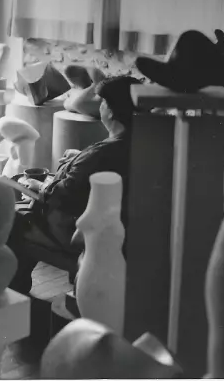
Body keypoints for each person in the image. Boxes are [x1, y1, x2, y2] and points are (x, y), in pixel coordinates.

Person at [8, 75, 141, 293]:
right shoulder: (143, 142)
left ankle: (16, 291)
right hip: (125, 230)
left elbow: (59, 197)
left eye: (102, 102)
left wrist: (36, 185)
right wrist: (78, 159)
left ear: (109, 109)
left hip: (77, 231)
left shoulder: (99, 153)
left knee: (13, 218)